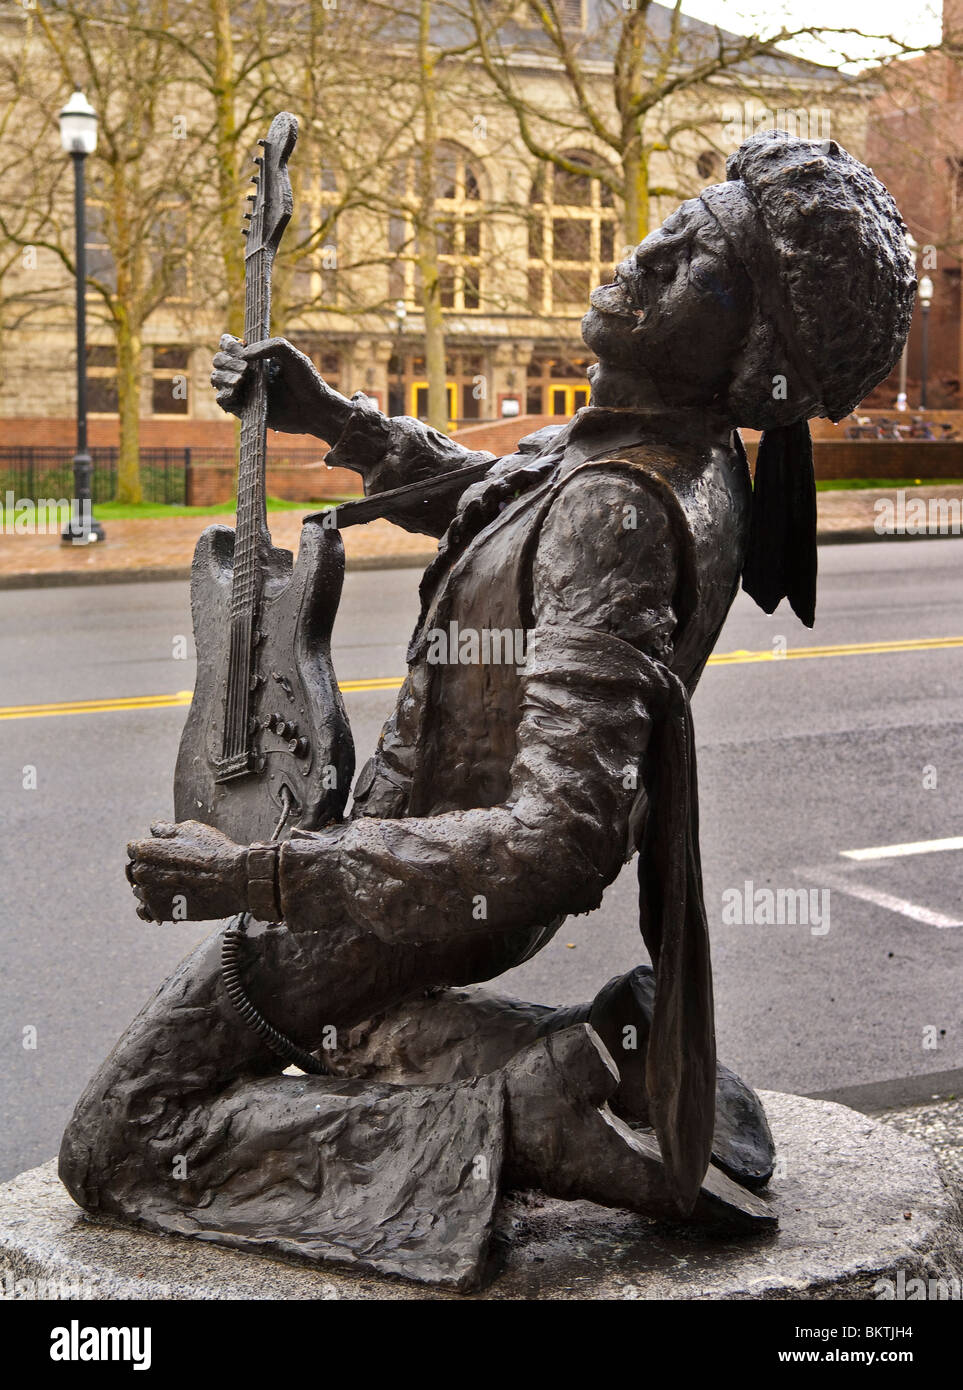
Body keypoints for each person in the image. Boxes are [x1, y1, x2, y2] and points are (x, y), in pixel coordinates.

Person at [60, 131, 915, 1291]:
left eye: (696, 268)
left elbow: (560, 842)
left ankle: (517, 1122)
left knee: (125, 1134)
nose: (649, 252)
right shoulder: (649, 447)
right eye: (676, 222)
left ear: (750, 357)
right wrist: (336, 417)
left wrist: (255, 877)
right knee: (350, 1034)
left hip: (410, 884)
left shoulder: (621, 508)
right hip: (412, 875)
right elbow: (492, 493)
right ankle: (564, 1066)